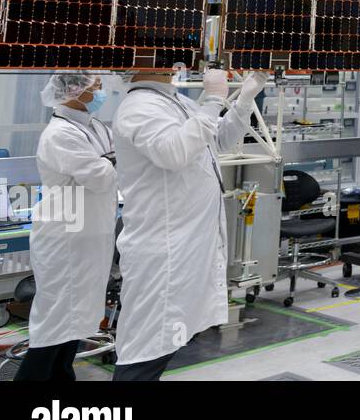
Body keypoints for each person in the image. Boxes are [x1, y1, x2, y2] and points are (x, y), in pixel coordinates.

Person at [111, 67, 267, 381]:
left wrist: (245, 98)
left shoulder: (176, 102)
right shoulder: (139, 107)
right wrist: (211, 100)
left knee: (161, 347)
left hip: (187, 247)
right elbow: (174, 152)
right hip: (163, 253)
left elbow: (218, 139)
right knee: (144, 352)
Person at [15, 73, 117, 381]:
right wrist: (113, 162)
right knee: (55, 321)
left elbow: (109, 167)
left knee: (77, 319)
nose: (100, 91)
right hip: (65, 236)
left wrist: (111, 161)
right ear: (73, 90)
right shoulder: (59, 133)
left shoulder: (96, 126)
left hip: (92, 233)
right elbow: (101, 176)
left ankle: (62, 377)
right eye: (94, 86)